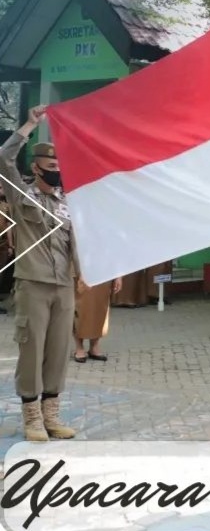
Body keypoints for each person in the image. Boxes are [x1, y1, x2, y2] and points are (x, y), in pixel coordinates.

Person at [0, 105, 78, 441]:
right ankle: (32, 416)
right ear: (36, 167)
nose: (56, 173)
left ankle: (51, 415)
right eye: (50, 168)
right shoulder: (22, 195)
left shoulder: (68, 201)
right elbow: (4, 159)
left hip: (64, 286)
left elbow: (77, 242)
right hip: (33, 284)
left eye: (59, 168)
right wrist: (29, 125)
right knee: (32, 351)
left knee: (58, 352)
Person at [74, 278, 122, 363]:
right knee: (80, 307)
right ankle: (79, 347)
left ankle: (94, 346)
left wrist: (118, 276)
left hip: (102, 273)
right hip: (80, 272)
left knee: (100, 305)